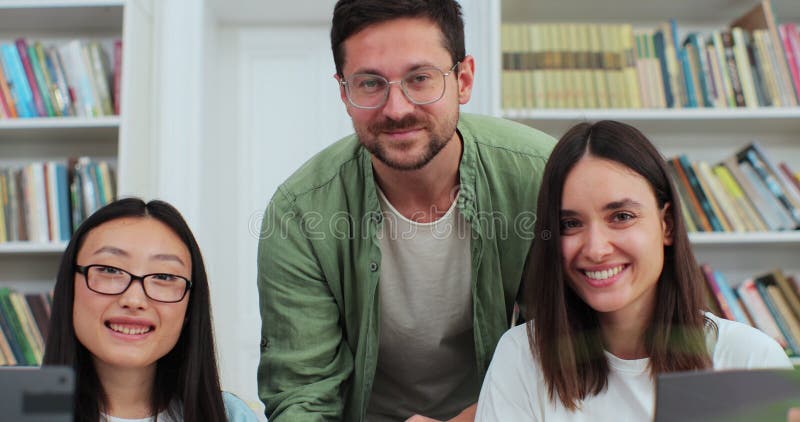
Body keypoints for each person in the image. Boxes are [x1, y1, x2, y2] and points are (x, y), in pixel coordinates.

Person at [256, 0, 555, 420]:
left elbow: (574, 349)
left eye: (420, 78)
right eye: (370, 83)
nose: (396, 109)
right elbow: (301, 395)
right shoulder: (299, 214)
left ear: (464, 80)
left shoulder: (542, 176)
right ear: (344, 92)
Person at [474, 120, 794, 421]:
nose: (596, 248)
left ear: (666, 224)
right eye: (570, 224)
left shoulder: (750, 360)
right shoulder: (522, 356)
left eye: (622, 216)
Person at [43, 198, 259, 422]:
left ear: (189, 308)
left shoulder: (231, 416)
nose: (134, 299)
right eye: (109, 269)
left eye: (164, 276)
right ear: (69, 289)